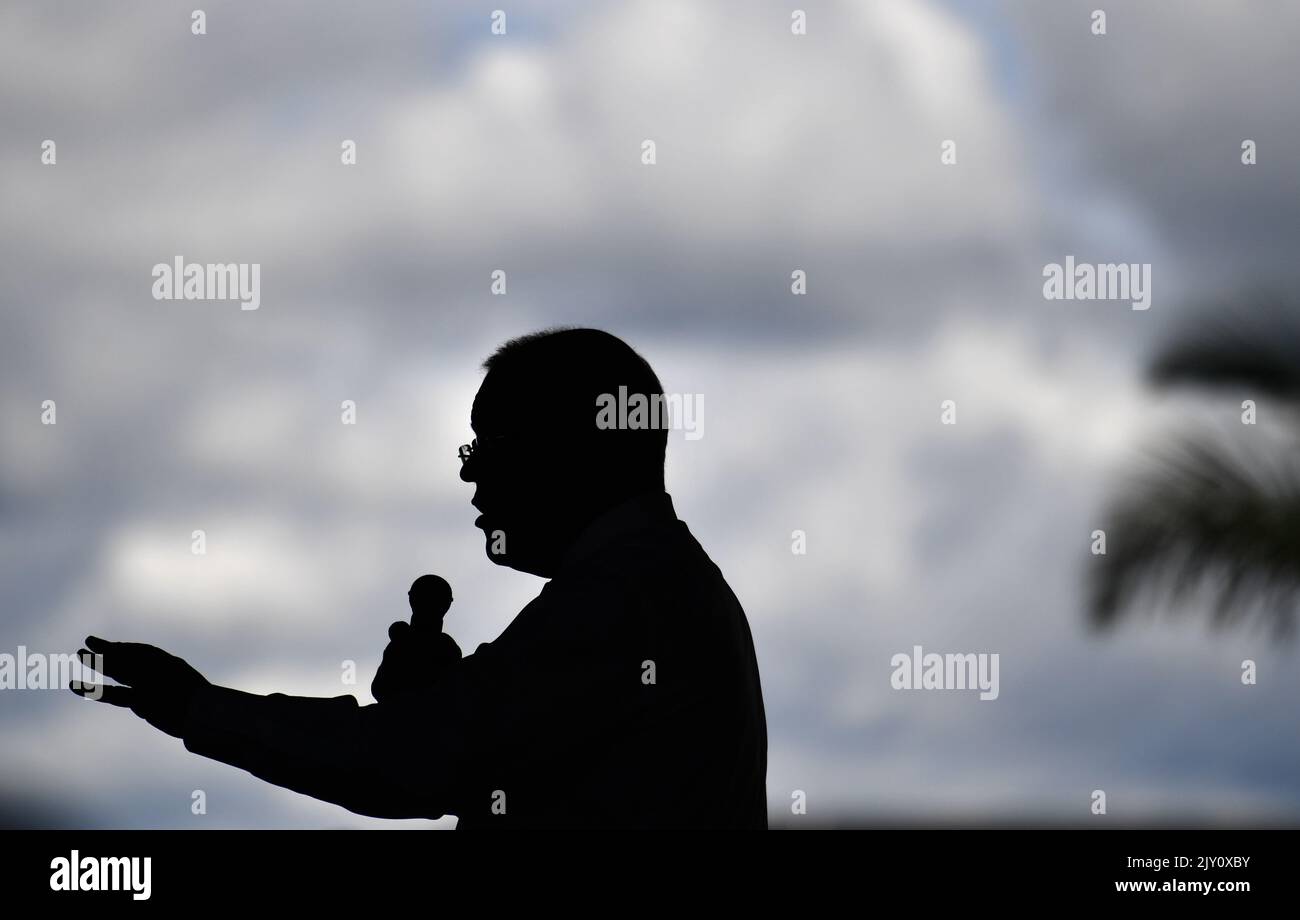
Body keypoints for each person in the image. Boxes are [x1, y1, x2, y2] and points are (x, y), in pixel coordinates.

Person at [71, 328, 769, 829]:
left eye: (489, 445)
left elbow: (413, 760)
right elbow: (465, 749)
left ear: (571, 448)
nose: (469, 472)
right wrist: (440, 705)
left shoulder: (623, 601)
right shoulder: (655, 588)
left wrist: (196, 706)